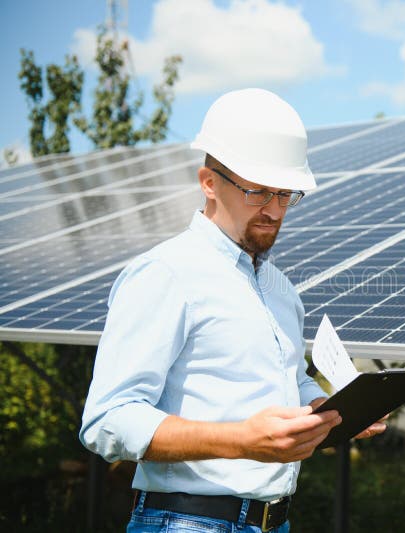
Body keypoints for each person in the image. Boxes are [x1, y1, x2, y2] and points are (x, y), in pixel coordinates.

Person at [80, 88, 386, 532]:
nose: (275, 211)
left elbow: (287, 380)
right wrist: (241, 440)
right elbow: (108, 420)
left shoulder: (280, 288)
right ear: (209, 182)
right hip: (186, 521)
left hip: (273, 522)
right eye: (259, 191)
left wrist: (333, 412)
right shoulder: (166, 273)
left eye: (286, 194)